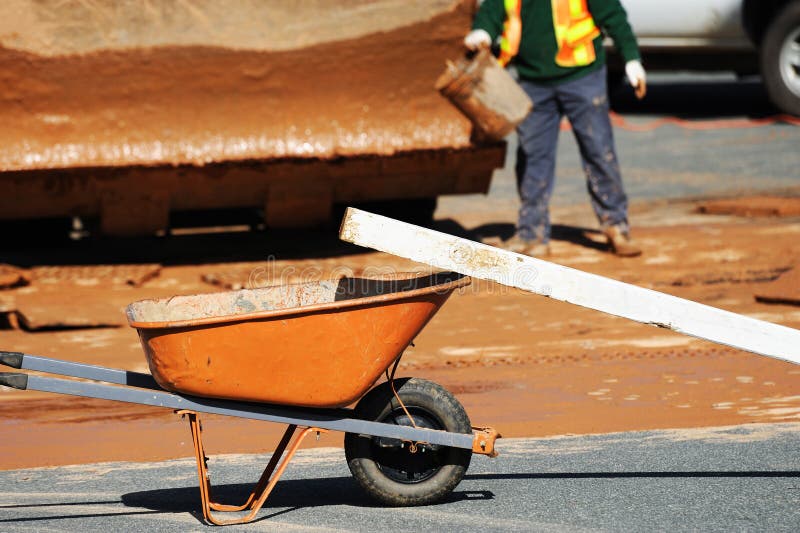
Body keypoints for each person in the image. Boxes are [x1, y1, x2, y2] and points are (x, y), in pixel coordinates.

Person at [465, 0, 646, 257]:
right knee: (532, 158)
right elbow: (492, 11)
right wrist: (483, 31)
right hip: (532, 81)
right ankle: (533, 234)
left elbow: (613, 14)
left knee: (598, 151)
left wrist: (632, 59)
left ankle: (616, 227)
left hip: (582, 76)